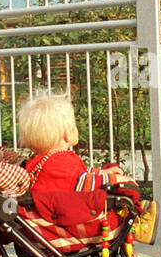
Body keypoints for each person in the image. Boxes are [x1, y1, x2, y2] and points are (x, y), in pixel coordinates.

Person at [17, 94, 154, 236]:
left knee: (111, 180)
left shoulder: (39, 161)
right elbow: (83, 184)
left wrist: (101, 172)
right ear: (67, 134)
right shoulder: (58, 161)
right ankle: (138, 225)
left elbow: (76, 175)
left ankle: (137, 214)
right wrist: (113, 180)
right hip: (71, 225)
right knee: (121, 193)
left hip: (53, 218)